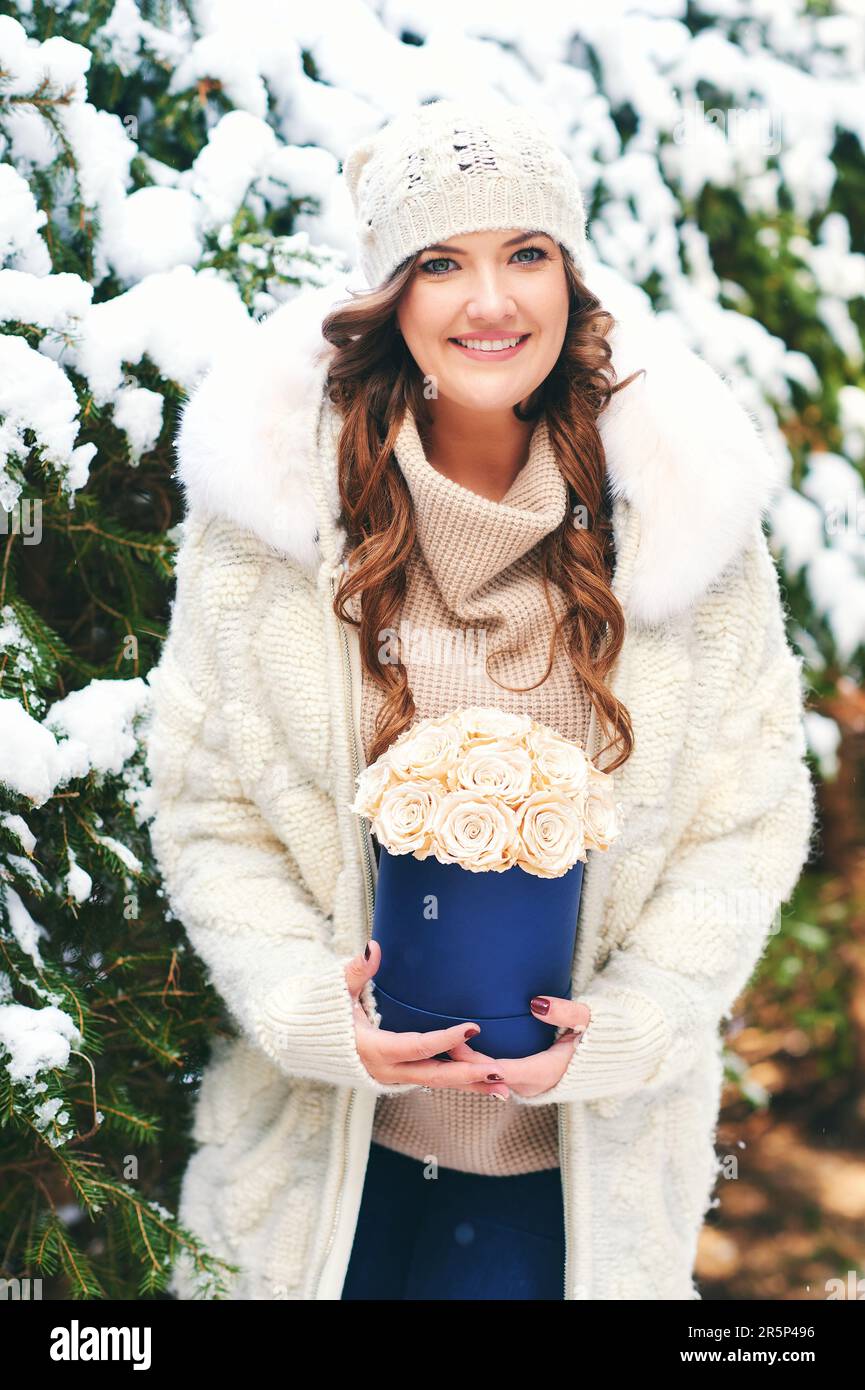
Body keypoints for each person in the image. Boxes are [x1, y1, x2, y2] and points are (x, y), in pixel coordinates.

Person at [145, 97, 817, 1301]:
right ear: (391, 294)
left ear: (570, 276)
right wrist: (311, 1015)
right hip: (322, 1163)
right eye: (442, 261)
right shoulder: (271, 521)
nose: (491, 301)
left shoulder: (681, 526)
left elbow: (748, 820)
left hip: (569, 1181)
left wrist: (635, 1027)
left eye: (527, 253)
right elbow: (208, 812)